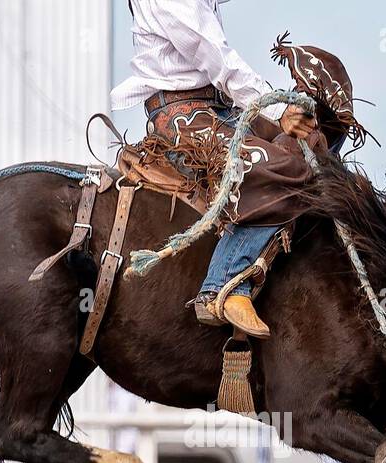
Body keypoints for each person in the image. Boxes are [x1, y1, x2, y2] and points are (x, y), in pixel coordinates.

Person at [113, 0, 322, 339]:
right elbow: (214, 55)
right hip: (183, 115)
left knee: (310, 141)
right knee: (281, 170)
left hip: (214, 108)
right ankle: (223, 283)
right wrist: (280, 107)